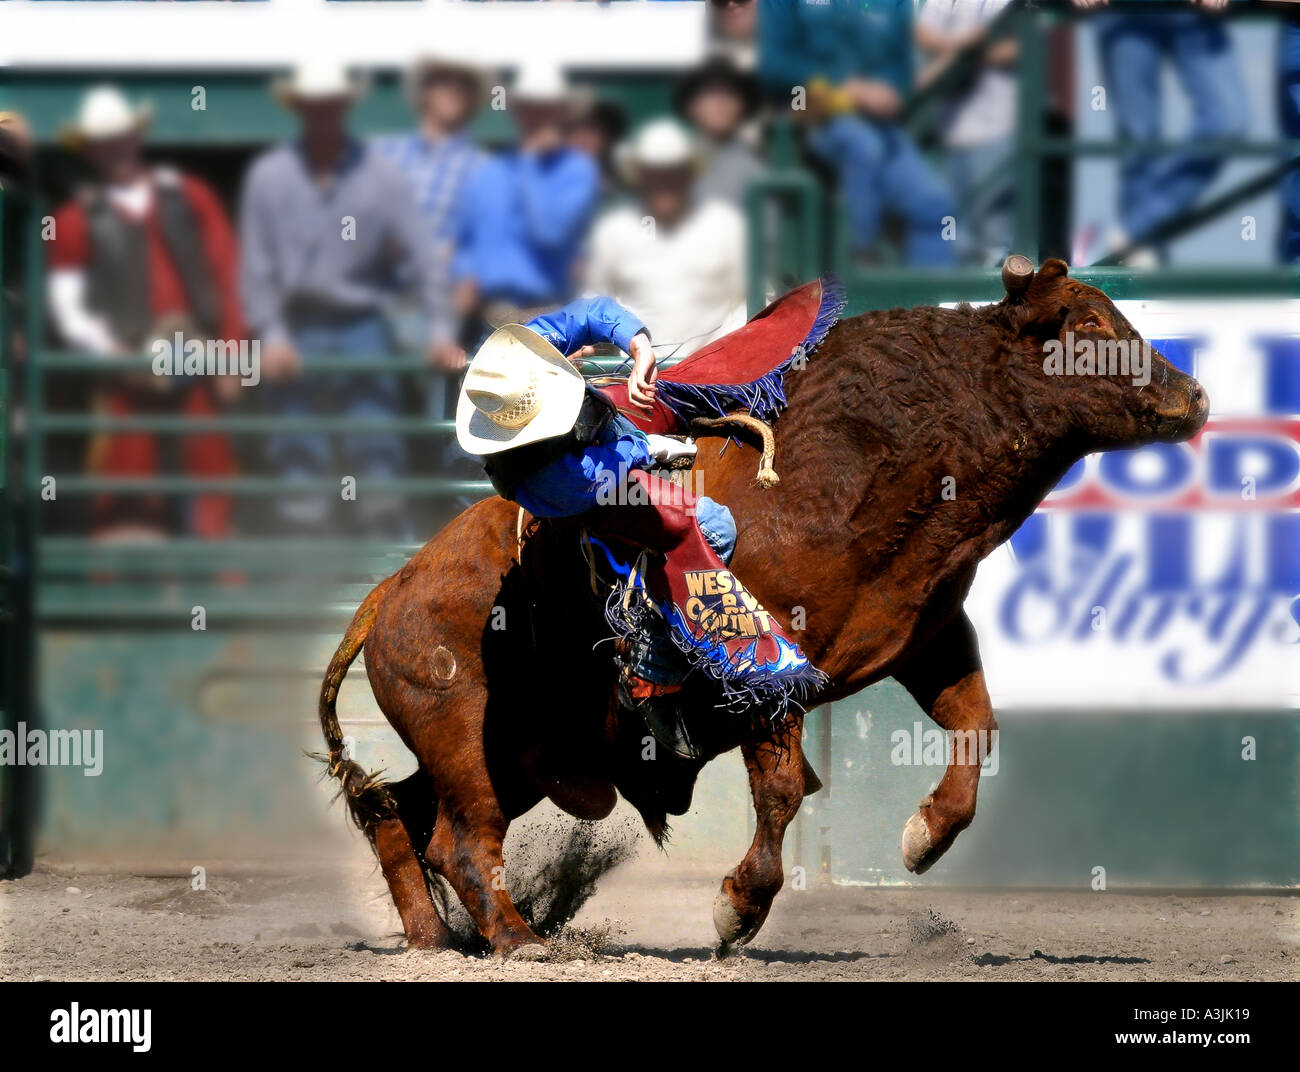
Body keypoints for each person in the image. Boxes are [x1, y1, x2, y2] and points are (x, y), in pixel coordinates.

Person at [456, 295, 821, 756]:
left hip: (593, 433)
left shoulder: (522, 370)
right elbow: (601, 472)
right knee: (711, 527)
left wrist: (639, 349)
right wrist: (652, 449)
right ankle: (654, 663)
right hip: (591, 488)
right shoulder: (553, 477)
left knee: (685, 384)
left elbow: (587, 314)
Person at [240, 60, 441, 537]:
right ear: (301, 110)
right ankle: (307, 576)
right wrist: (271, 334)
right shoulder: (269, 177)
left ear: (344, 108)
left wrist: (439, 330)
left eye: (331, 107)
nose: (323, 115)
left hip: (363, 323)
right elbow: (256, 267)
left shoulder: (381, 175)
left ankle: (384, 577)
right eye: (315, 107)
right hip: (297, 325)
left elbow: (424, 258)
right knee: (297, 449)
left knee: (377, 447)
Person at [47, 85, 240, 542]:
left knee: (211, 485)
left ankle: (216, 600)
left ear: (135, 137)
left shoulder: (190, 197)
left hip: (200, 369)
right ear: (89, 151)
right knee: (127, 493)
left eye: (120, 136)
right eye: (102, 141)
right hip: (127, 384)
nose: (114, 149)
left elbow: (229, 275)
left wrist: (231, 357)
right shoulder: (74, 220)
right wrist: (113, 354)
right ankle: (140, 602)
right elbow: (68, 307)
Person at [759, 0, 957, 267]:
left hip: (879, 123)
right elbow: (773, 64)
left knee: (935, 204)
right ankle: (860, 264)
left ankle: (935, 301)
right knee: (862, 145)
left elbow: (901, 66)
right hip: (807, 111)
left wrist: (891, 91)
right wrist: (846, 86)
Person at [1083, 0, 1248, 259]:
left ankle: (1134, 231)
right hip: (1124, 15)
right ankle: (1140, 255)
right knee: (1138, 138)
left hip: (1194, 15)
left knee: (1229, 119)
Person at [451, 63, 600, 341]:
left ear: (561, 114)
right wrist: (464, 275)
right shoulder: (491, 170)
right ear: (518, 112)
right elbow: (468, 240)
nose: (538, 116)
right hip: (486, 323)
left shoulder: (578, 171)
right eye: (530, 108)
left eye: (547, 108)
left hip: (550, 324)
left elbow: (551, 233)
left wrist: (530, 161)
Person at [586, 119, 747, 361]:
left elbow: (752, 300)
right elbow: (594, 302)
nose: (664, 183)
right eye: (654, 173)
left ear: (688, 176)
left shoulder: (726, 225)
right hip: (634, 380)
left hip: (717, 382)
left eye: (673, 173)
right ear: (640, 177)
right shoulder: (614, 231)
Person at [916, 0, 1017, 266]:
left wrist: (960, 53)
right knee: (955, 238)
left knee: (994, 242)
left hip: (999, 129)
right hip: (951, 133)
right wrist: (965, 47)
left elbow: (1021, 49)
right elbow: (924, 33)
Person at [674, 55, 765, 210]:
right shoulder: (669, 163)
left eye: (730, 94)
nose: (720, 102)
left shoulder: (757, 169)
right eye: (710, 93)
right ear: (691, 106)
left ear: (744, 107)